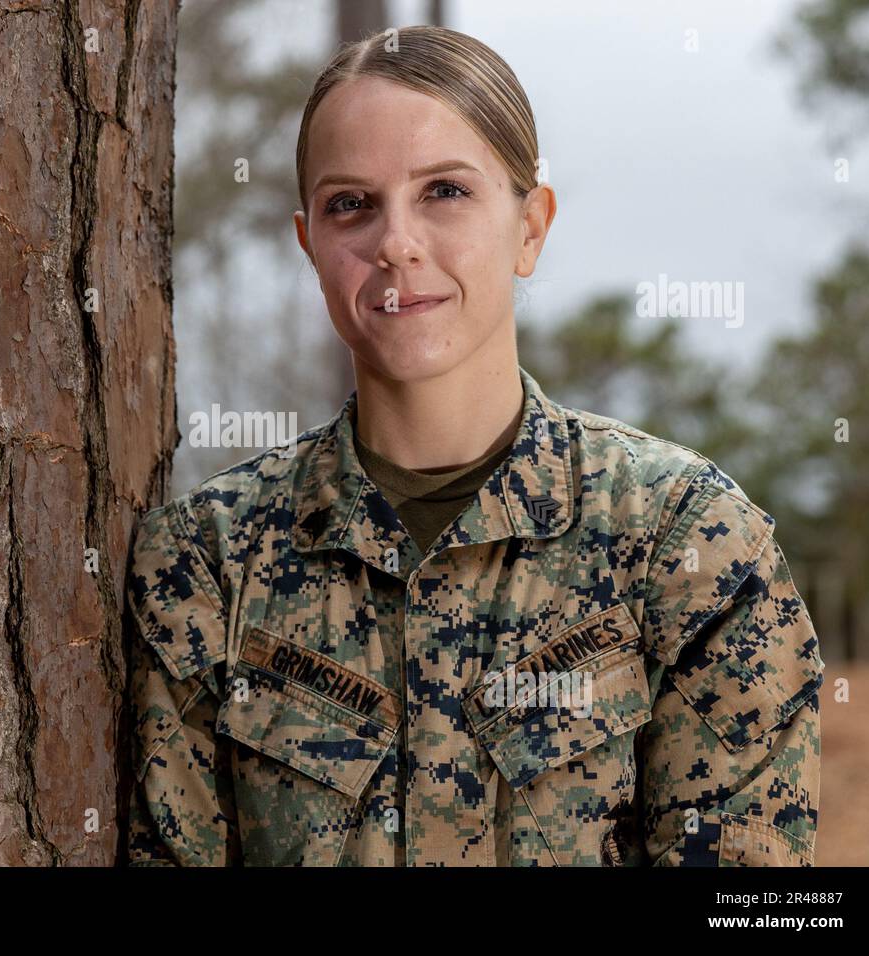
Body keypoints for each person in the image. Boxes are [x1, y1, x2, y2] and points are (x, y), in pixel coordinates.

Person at [125, 25, 823, 866]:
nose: (396, 243)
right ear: (310, 244)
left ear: (531, 226)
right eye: (352, 204)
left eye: (445, 192)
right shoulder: (208, 560)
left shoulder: (688, 543)